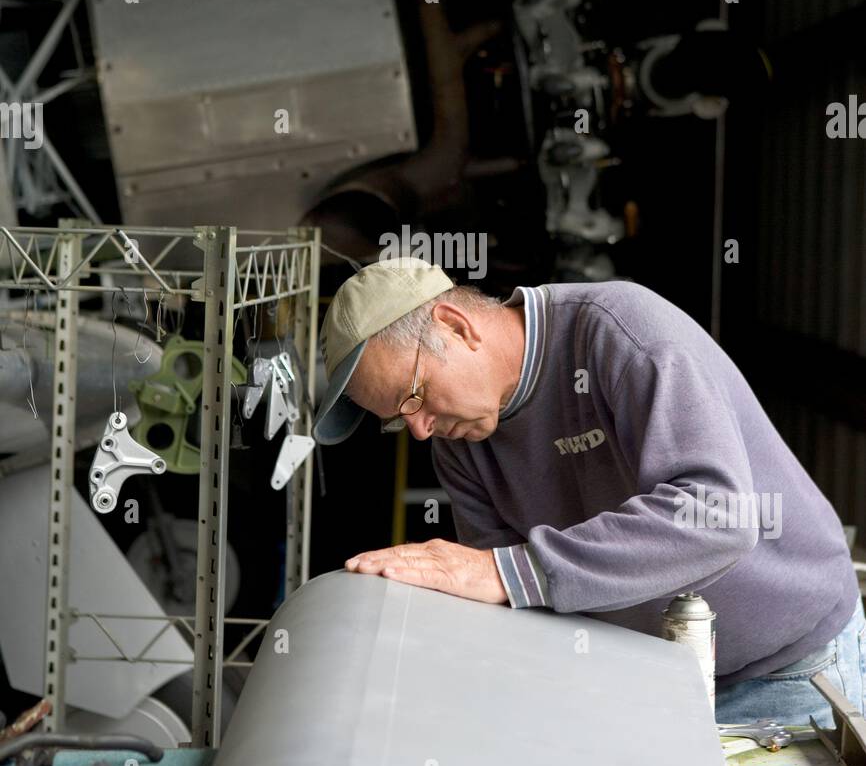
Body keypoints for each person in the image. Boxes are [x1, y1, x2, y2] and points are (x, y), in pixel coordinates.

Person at [313, 257, 865, 727]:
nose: (419, 430)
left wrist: (504, 572)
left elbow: (716, 517)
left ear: (457, 326)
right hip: (645, 687)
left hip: (789, 672)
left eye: (414, 396)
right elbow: (514, 604)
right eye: (396, 420)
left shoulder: (620, 333)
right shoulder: (461, 442)